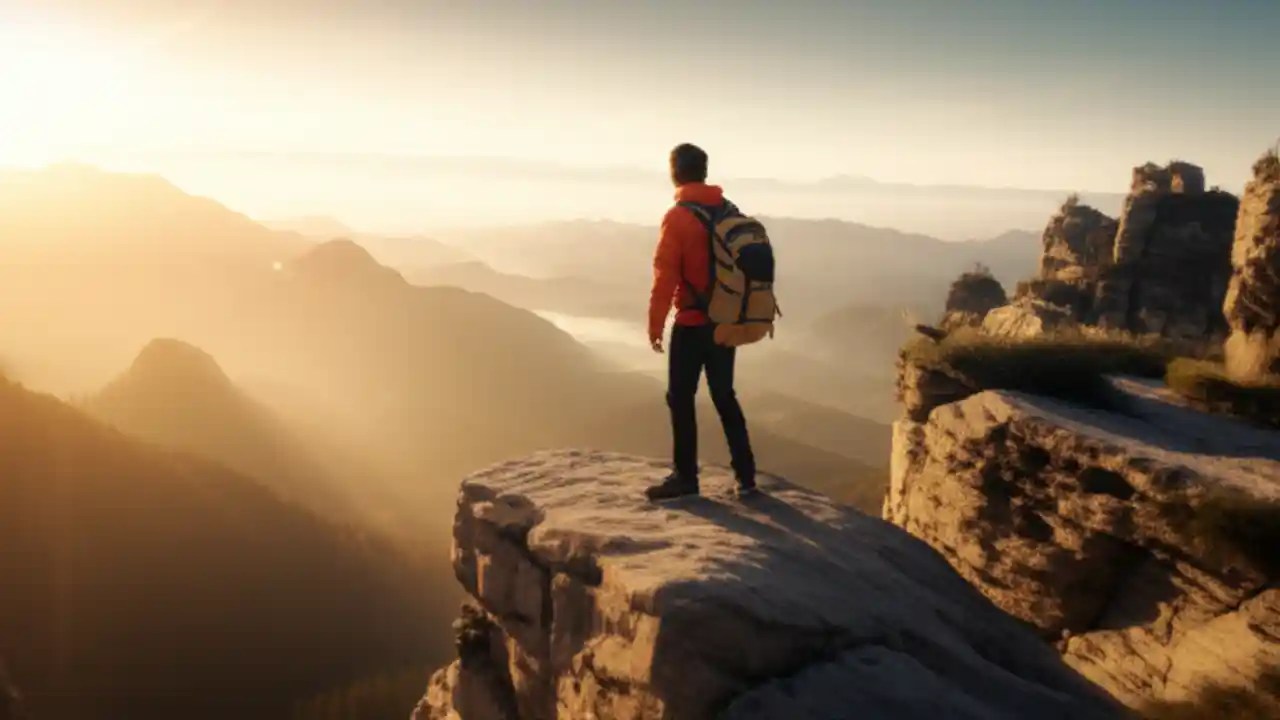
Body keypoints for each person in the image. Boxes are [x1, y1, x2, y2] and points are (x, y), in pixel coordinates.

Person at [644, 143, 757, 501]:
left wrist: (655, 325)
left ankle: (686, 477)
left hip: (692, 322)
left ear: (675, 173)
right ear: (704, 172)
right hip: (726, 321)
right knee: (724, 395)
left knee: (680, 397)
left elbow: (665, 276)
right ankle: (746, 476)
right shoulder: (729, 211)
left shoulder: (677, 217)